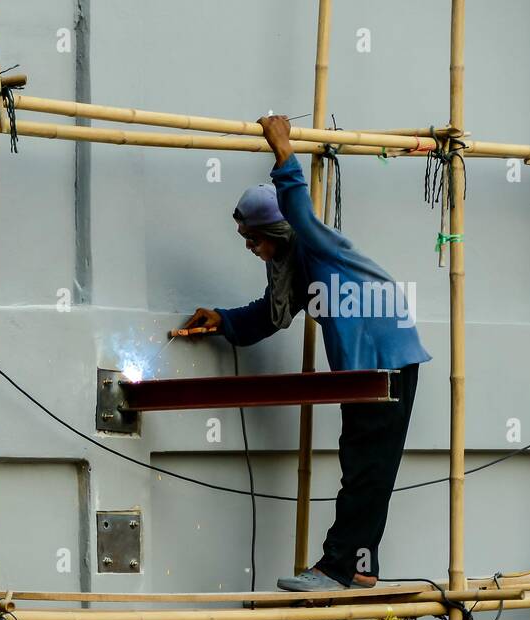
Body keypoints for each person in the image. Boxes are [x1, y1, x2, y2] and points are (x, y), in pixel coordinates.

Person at [183, 115, 431, 592]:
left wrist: (282, 149)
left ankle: (337, 567)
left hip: (385, 360)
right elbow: (268, 316)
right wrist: (223, 320)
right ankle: (362, 564)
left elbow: (298, 209)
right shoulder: (300, 269)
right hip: (366, 369)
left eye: (254, 238)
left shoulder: (317, 245)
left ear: (276, 230)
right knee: (364, 464)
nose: (252, 248)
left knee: (366, 468)